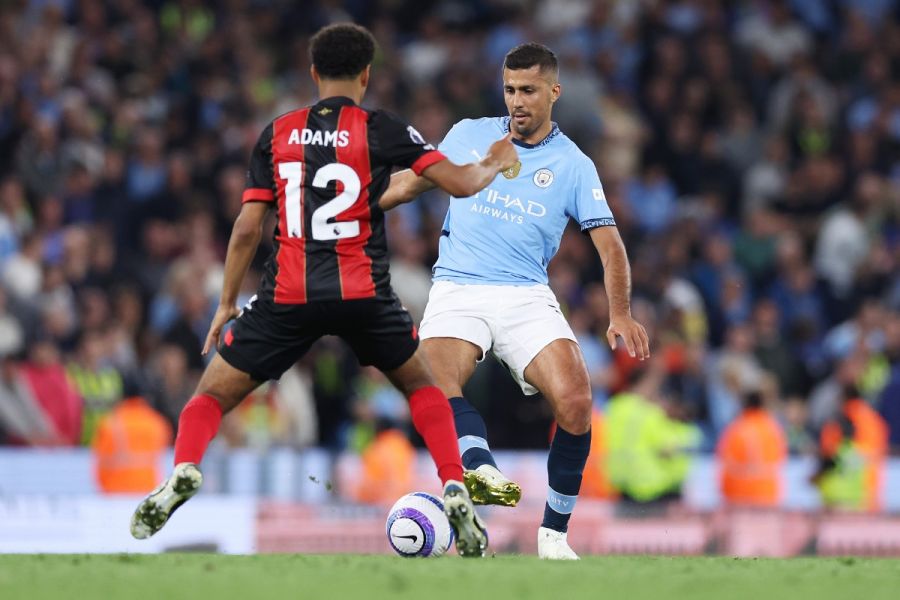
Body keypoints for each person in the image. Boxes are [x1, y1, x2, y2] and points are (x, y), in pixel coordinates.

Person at [130, 23, 519, 558]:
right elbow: (461, 184)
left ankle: (184, 469)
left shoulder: (277, 133)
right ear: (367, 74)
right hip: (364, 294)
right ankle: (453, 482)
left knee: (210, 397)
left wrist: (225, 304)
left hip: (287, 295)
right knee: (422, 387)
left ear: (313, 74)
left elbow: (247, 228)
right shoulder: (380, 129)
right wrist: (494, 161)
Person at [380, 43, 649, 559]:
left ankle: (552, 536)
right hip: (459, 284)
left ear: (554, 92)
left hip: (525, 293)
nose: (517, 100)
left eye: (528, 90)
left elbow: (610, 246)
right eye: (509, 89)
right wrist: (352, 203)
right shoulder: (469, 134)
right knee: (436, 381)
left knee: (574, 401)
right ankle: (478, 465)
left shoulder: (573, 165)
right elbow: (412, 181)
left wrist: (619, 312)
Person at [716, 388, 787, 507]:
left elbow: (725, 460)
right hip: (767, 493)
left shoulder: (737, 428)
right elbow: (780, 458)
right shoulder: (772, 429)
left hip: (739, 494)